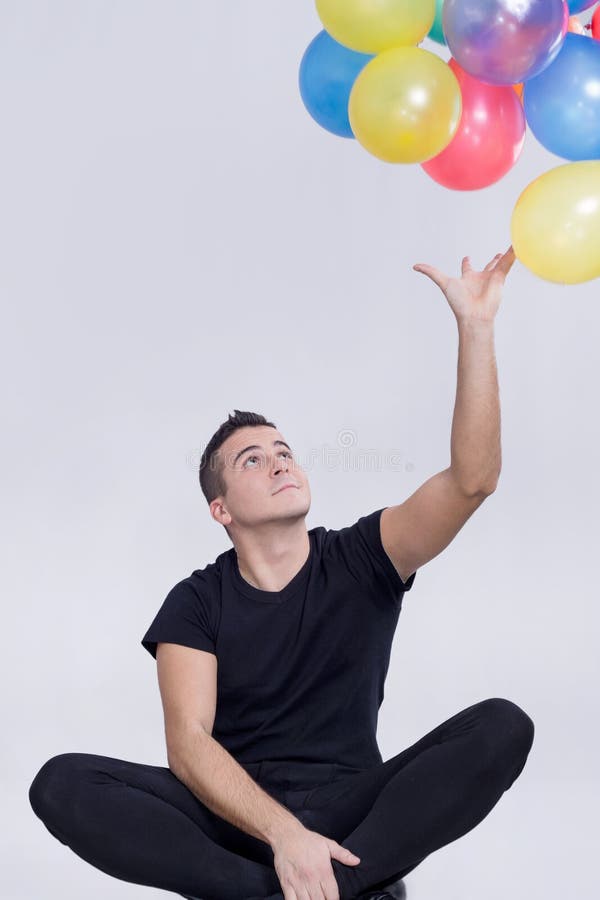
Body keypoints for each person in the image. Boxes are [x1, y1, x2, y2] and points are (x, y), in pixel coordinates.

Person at [29, 247, 534, 900]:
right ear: (220, 509)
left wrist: (477, 327)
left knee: (502, 726)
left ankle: (327, 885)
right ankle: (290, 887)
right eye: (251, 461)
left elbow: (474, 481)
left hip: (353, 807)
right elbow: (188, 746)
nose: (279, 463)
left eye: (284, 451)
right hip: (237, 817)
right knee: (62, 782)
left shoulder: (362, 556)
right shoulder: (196, 602)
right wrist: (284, 837)